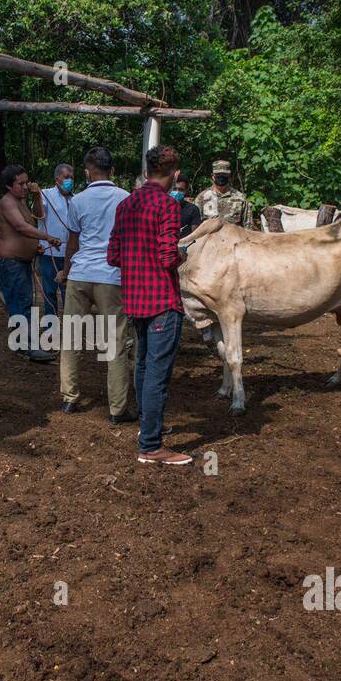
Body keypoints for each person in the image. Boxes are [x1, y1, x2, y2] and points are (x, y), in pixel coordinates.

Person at [108, 145, 192, 464]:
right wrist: (180, 255)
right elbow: (168, 254)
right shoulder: (167, 205)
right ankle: (152, 446)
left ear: (147, 171)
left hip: (135, 299)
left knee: (143, 366)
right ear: (175, 174)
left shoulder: (126, 204)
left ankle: (148, 430)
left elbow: (112, 255)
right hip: (161, 300)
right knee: (157, 371)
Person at [59, 146, 135, 422]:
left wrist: (66, 271)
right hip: (112, 277)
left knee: (71, 336)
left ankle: (69, 398)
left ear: (87, 172)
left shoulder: (77, 201)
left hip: (80, 274)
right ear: (112, 170)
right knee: (115, 343)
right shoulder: (126, 199)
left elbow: (72, 242)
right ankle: (118, 408)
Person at [0, 164, 62, 362]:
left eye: (26, 182)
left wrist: (36, 195)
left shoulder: (21, 201)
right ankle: (27, 347)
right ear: (9, 186)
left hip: (20, 263)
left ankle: (23, 344)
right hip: (11, 263)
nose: (25, 186)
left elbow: (39, 215)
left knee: (24, 303)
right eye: (20, 183)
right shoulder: (7, 203)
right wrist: (47, 237)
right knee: (21, 304)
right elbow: (20, 227)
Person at [38, 163, 74, 317]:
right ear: (57, 179)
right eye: (66, 177)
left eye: (72, 177)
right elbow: (37, 214)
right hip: (49, 253)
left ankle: (71, 329)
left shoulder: (77, 198)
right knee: (49, 292)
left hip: (70, 254)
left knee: (70, 293)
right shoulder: (45, 194)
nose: (70, 181)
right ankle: (50, 328)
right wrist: (35, 194)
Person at [195, 159, 253, 230]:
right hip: (210, 239)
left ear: (229, 176)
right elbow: (196, 226)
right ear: (213, 176)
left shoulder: (240, 198)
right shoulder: (202, 197)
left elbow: (248, 227)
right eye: (218, 175)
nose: (221, 177)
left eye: (224, 175)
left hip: (234, 239)